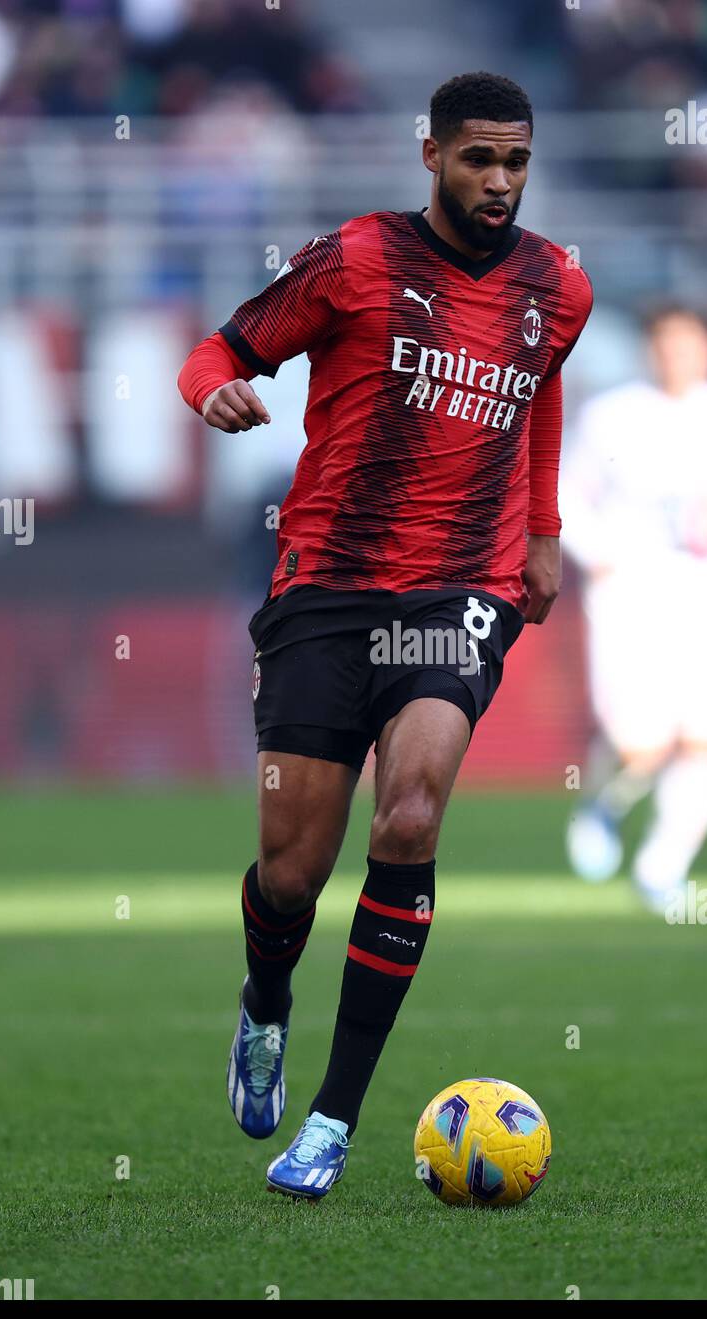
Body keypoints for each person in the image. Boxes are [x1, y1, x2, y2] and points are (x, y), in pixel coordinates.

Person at [177, 71, 593, 1198]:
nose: (498, 181)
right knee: (290, 873)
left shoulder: (557, 284)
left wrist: (541, 531)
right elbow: (222, 349)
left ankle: (333, 1119)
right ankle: (265, 1005)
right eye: (477, 160)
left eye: (514, 161)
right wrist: (208, 394)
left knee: (407, 817)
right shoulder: (357, 260)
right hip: (326, 589)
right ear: (431, 156)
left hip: (459, 588)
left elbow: (538, 386)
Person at [559, 305, 707, 911]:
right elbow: (564, 497)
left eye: (688, 345)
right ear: (649, 348)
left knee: (706, 734)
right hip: (629, 595)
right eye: (665, 343)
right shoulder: (611, 417)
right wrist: (597, 552)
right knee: (642, 742)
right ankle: (604, 803)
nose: (676, 356)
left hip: (704, 596)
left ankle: (663, 866)